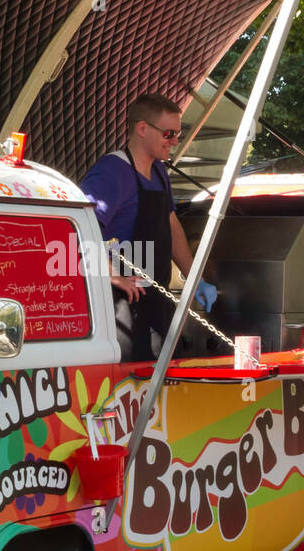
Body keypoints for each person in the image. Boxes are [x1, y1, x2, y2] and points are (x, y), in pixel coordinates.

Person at [80, 93, 215, 361]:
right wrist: (111, 274)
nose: (175, 141)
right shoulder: (111, 172)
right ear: (142, 128)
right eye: (168, 133)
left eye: (178, 133)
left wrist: (195, 277)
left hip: (155, 298)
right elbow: (82, 228)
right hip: (119, 304)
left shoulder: (160, 172)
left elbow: (171, 223)